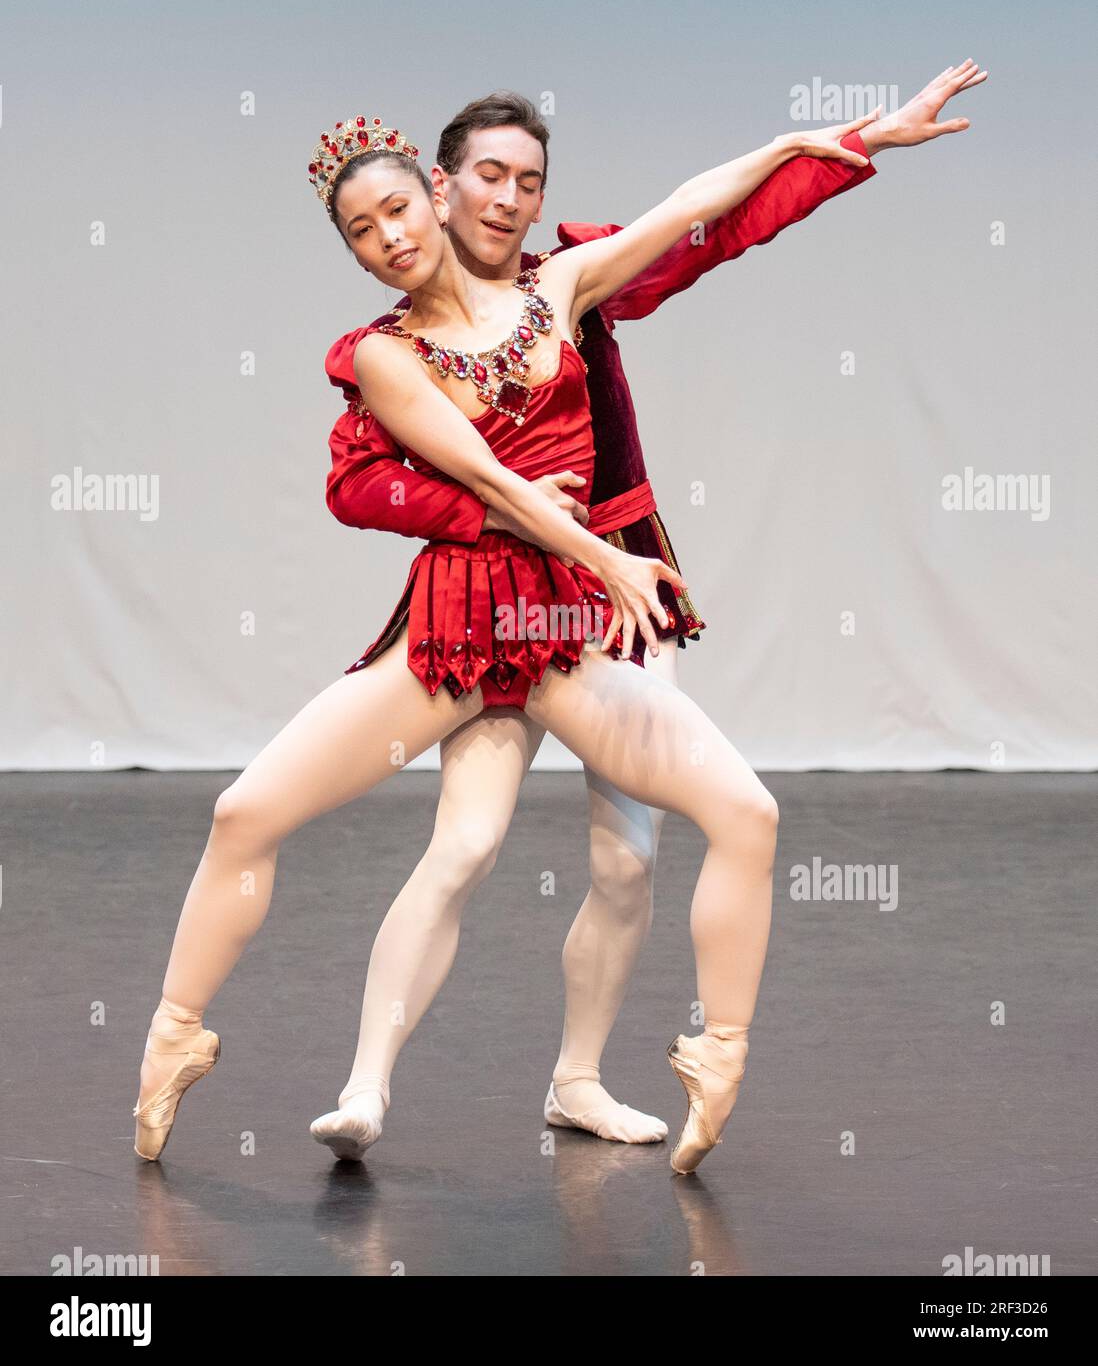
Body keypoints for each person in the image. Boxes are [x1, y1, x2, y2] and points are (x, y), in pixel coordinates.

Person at [318, 65, 988, 1145]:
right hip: (501, 596)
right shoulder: (397, 349)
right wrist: (487, 517)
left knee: (626, 856)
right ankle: (364, 1088)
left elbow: (717, 224)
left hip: (621, 576)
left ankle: (576, 1080)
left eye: (526, 182)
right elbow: (355, 481)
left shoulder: (573, 278)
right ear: (436, 189)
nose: (506, 198)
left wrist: (865, 140)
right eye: (486, 175)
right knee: (466, 843)